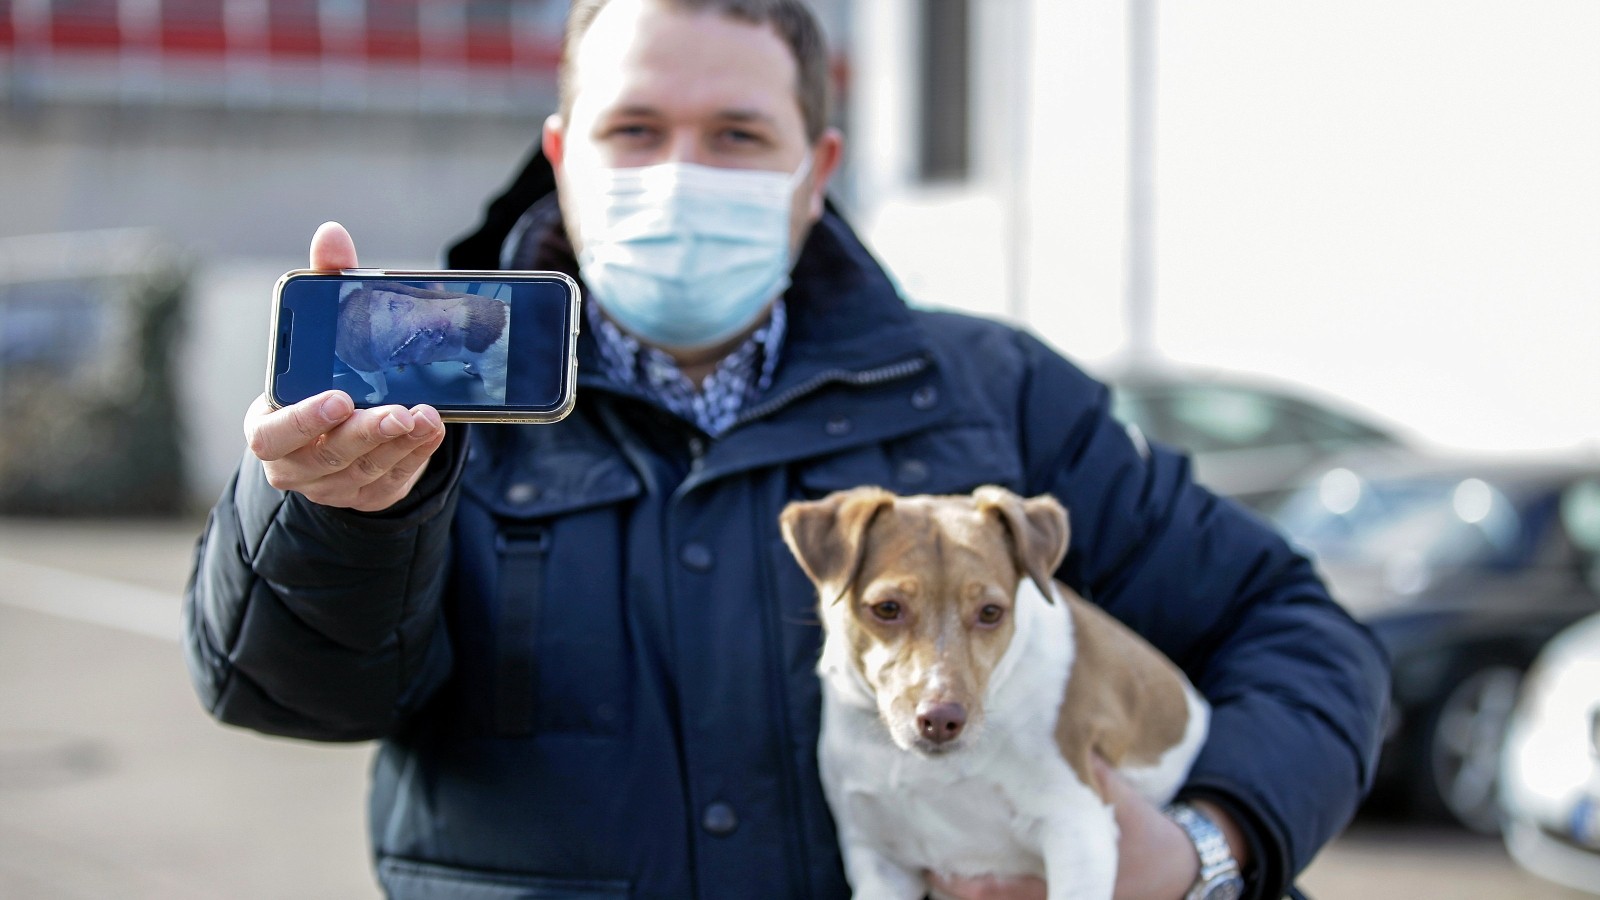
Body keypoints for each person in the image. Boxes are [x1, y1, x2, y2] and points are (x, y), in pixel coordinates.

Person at [184, 1, 1389, 898]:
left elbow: (1300, 632)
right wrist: (331, 515)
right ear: (563, 155)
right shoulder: (442, 418)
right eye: (636, 128)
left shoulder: (996, 395)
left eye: (737, 135)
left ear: (815, 171)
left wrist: (1205, 852)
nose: (678, 174)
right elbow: (277, 691)